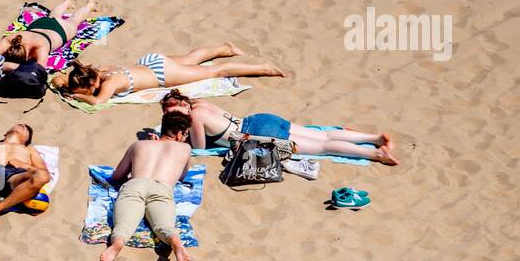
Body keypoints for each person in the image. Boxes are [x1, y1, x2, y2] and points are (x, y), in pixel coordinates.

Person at [160, 90, 400, 164]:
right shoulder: (201, 103)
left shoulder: (195, 117)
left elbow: (201, 148)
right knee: (321, 133)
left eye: (172, 112)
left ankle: (375, 153)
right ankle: (375, 137)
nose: (171, 116)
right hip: (260, 119)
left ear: (182, 106)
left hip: (258, 133)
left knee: (323, 146)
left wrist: (184, 139)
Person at [98, 111, 195, 261]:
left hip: (135, 185)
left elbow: (117, 176)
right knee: (163, 225)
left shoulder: (139, 145)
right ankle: (175, 242)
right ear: (179, 134)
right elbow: (182, 176)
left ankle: (117, 244)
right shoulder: (185, 148)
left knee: (124, 224)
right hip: (162, 188)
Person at [54, 42, 285, 104]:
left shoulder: (110, 83)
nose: (92, 90)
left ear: (92, 82)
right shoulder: (101, 70)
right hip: (151, 62)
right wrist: (66, 85)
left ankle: (263, 68)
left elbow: (97, 102)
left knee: (215, 72)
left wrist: (78, 96)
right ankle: (225, 48)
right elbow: (62, 79)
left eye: (89, 88)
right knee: (191, 59)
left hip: (163, 74)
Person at [0, 0, 98, 71]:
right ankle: (67, 2)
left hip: (60, 30)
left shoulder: (40, 48)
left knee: (74, 20)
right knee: (53, 16)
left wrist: (9, 66)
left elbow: (39, 69)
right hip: (38, 24)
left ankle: (90, 5)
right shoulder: (12, 39)